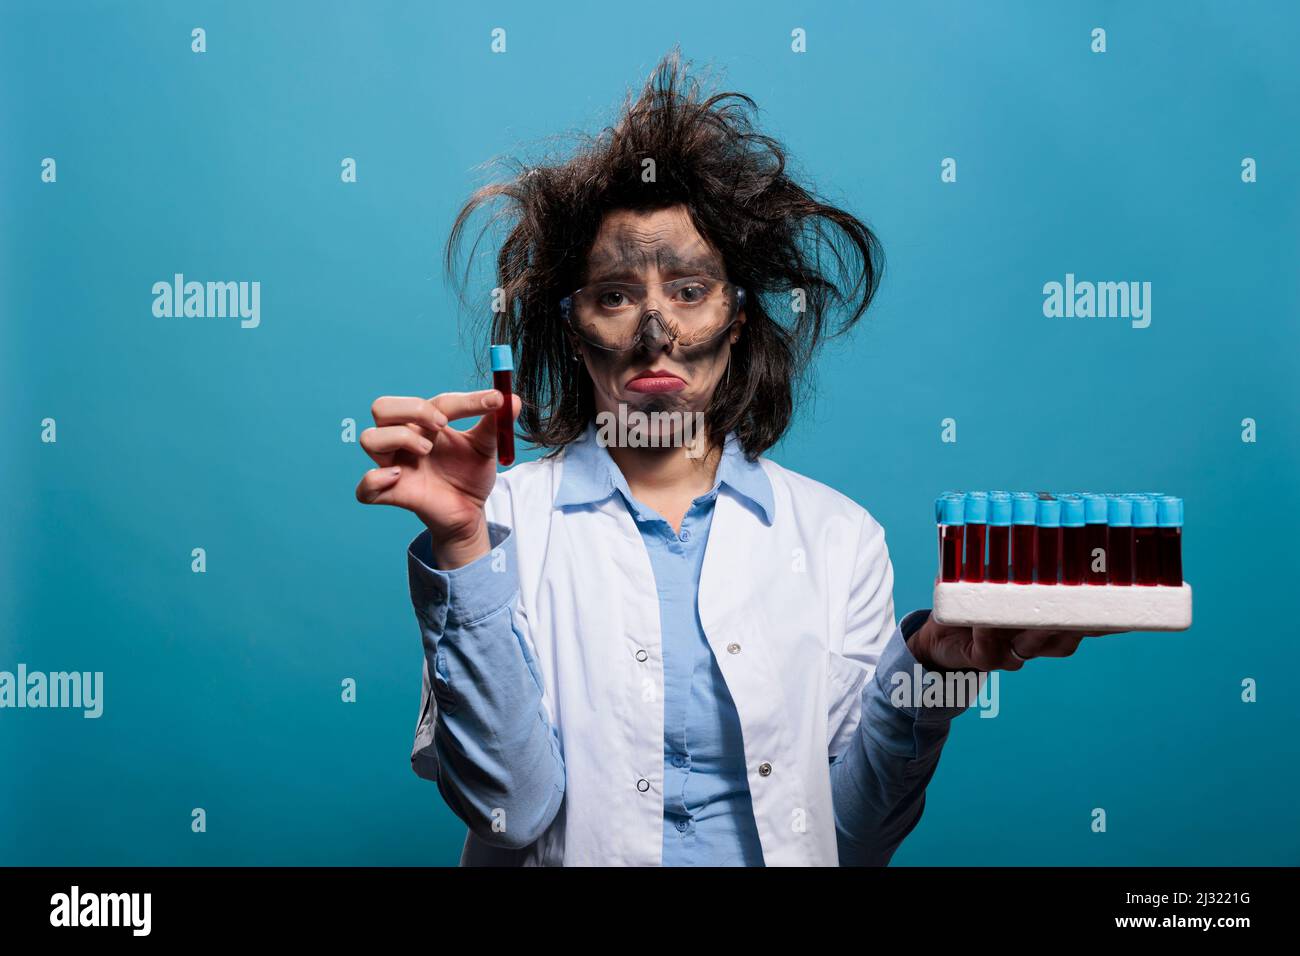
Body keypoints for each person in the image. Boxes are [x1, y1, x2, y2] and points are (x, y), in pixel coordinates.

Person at [356, 50, 1102, 866]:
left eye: (688, 289)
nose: (655, 330)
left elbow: (851, 838)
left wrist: (934, 674)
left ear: (739, 317)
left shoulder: (839, 539)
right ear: (575, 332)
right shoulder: (500, 527)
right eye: (614, 295)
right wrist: (463, 544)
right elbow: (512, 809)